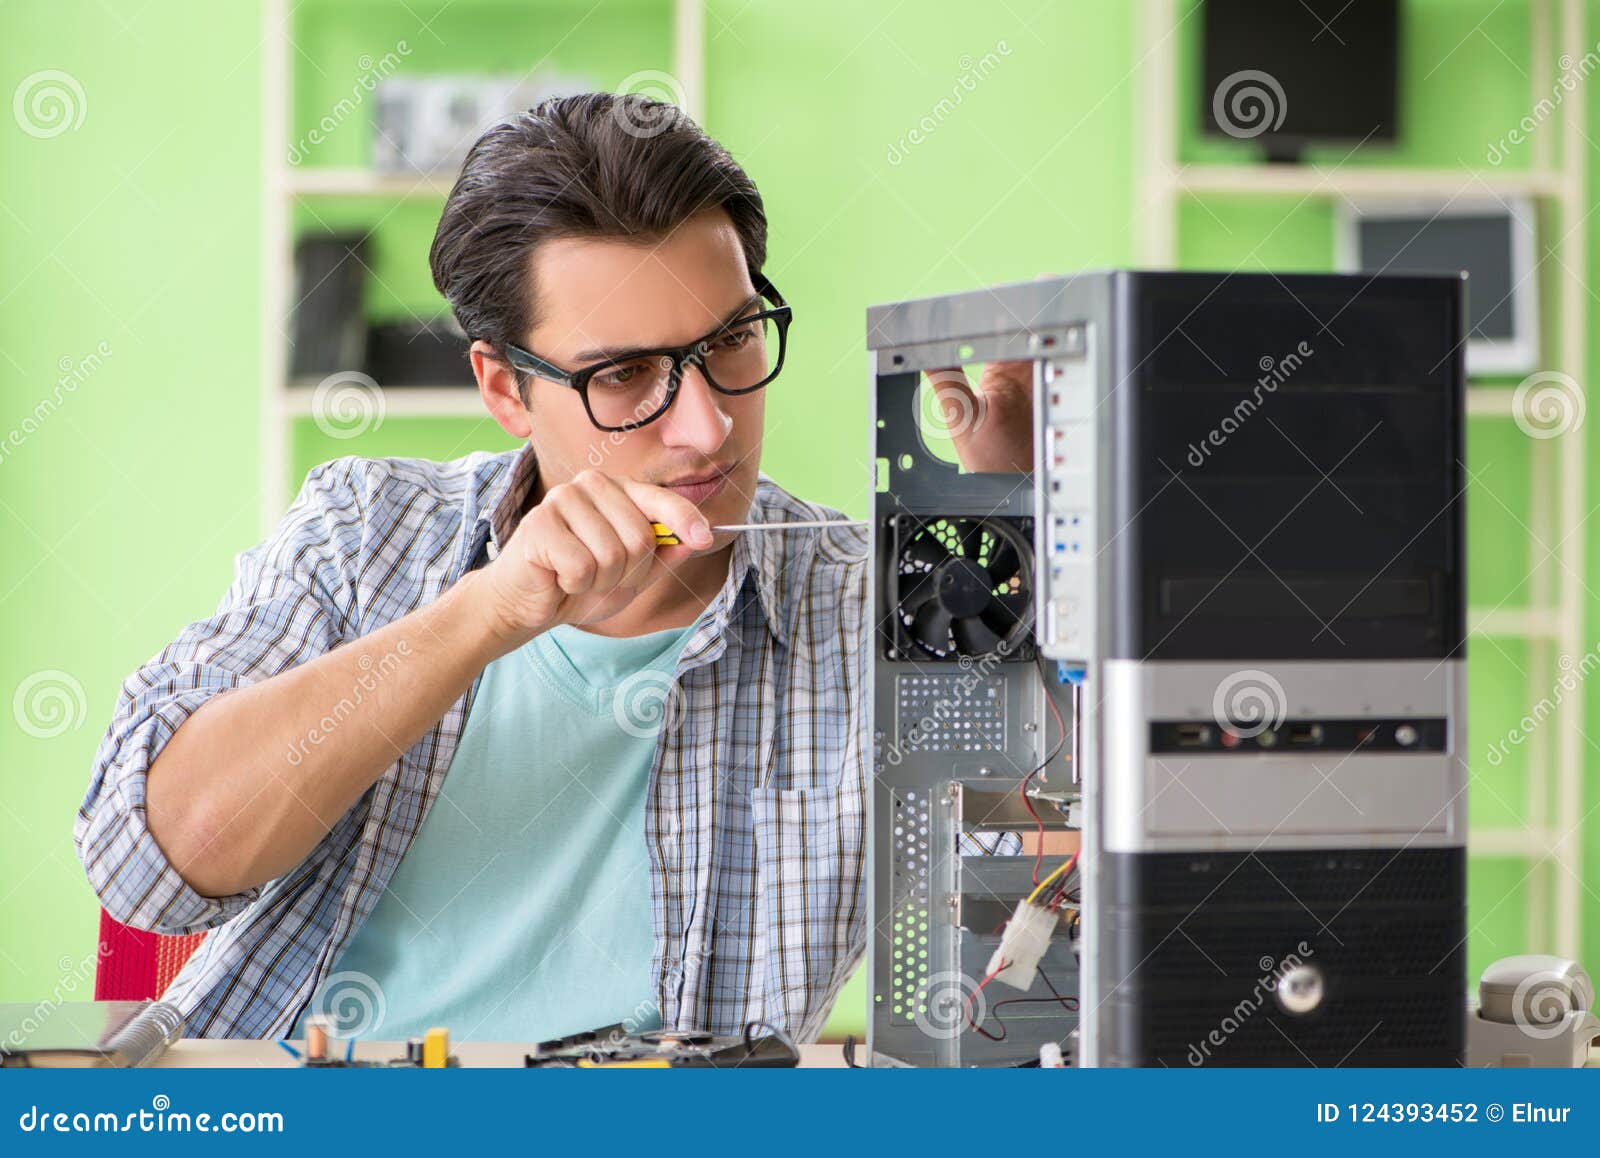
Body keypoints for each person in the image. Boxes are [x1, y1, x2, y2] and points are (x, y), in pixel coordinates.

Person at [75, 93, 1033, 1042]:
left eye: (732, 340)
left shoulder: (881, 603)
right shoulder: (365, 530)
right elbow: (145, 872)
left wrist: (1031, 545)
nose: (708, 428)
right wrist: (486, 615)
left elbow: (1031, 920)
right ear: (505, 389)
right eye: (624, 374)